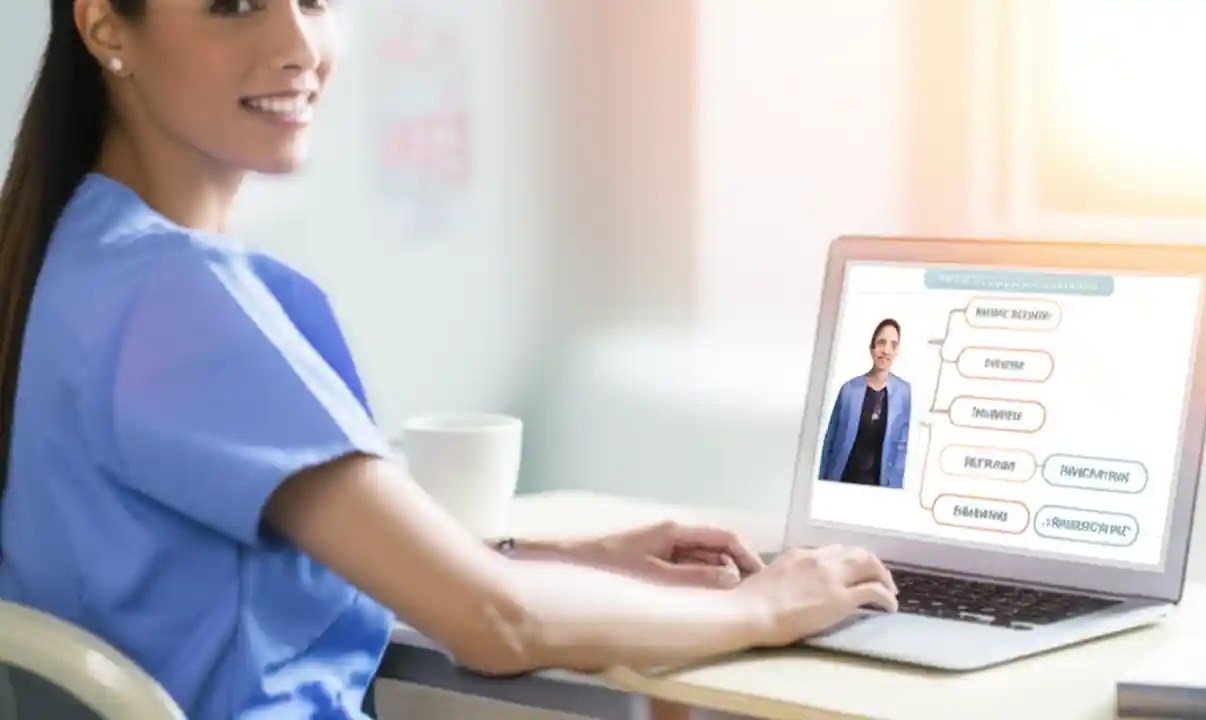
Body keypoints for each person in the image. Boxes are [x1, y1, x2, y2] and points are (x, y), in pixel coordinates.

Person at [0, 2, 899, 718]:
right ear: (106, 28)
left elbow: (208, 570)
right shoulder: (183, 297)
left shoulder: (69, 256)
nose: (297, 45)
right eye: (234, 5)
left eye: (314, 0)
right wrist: (767, 606)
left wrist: (557, 555)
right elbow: (495, 624)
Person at [818, 319, 913, 488]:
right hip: (842, 479)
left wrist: (894, 490)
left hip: (878, 486)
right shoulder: (849, 390)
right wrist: (822, 484)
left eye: (893, 345)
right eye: (881, 343)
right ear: (872, 348)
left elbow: (901, 448)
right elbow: (830, 440)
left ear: (897, 351)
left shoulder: (903, 393)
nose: (886, 350)